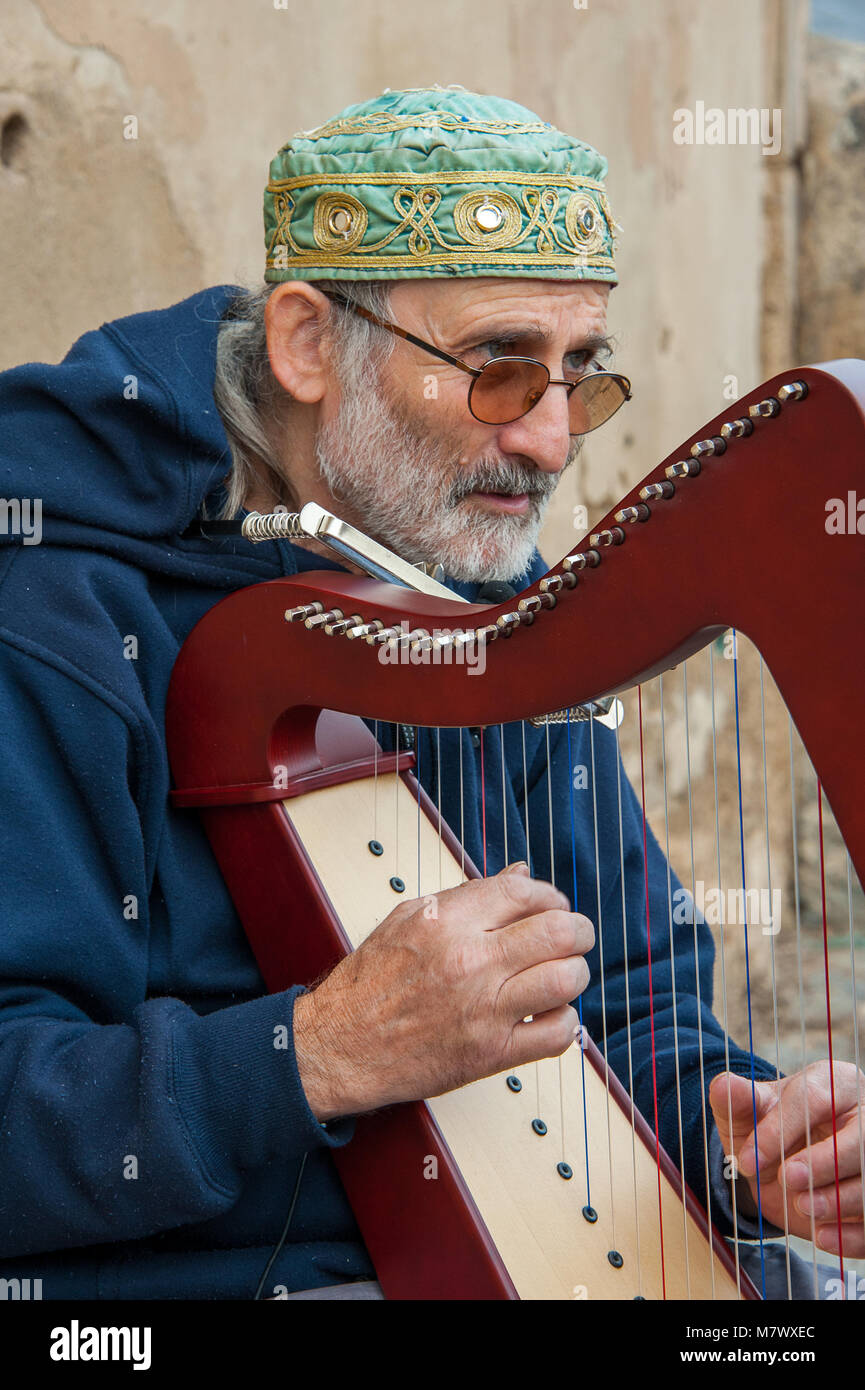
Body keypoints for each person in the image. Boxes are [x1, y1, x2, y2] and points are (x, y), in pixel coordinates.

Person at [0, 84, 860, 1302]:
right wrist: (318, 1051)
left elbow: (631, 1003)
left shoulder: (502, 604)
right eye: (501, 370)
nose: (552, 440)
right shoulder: (58, 614)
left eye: (580, 376)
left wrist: (747, 1143)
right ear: (305, 343)